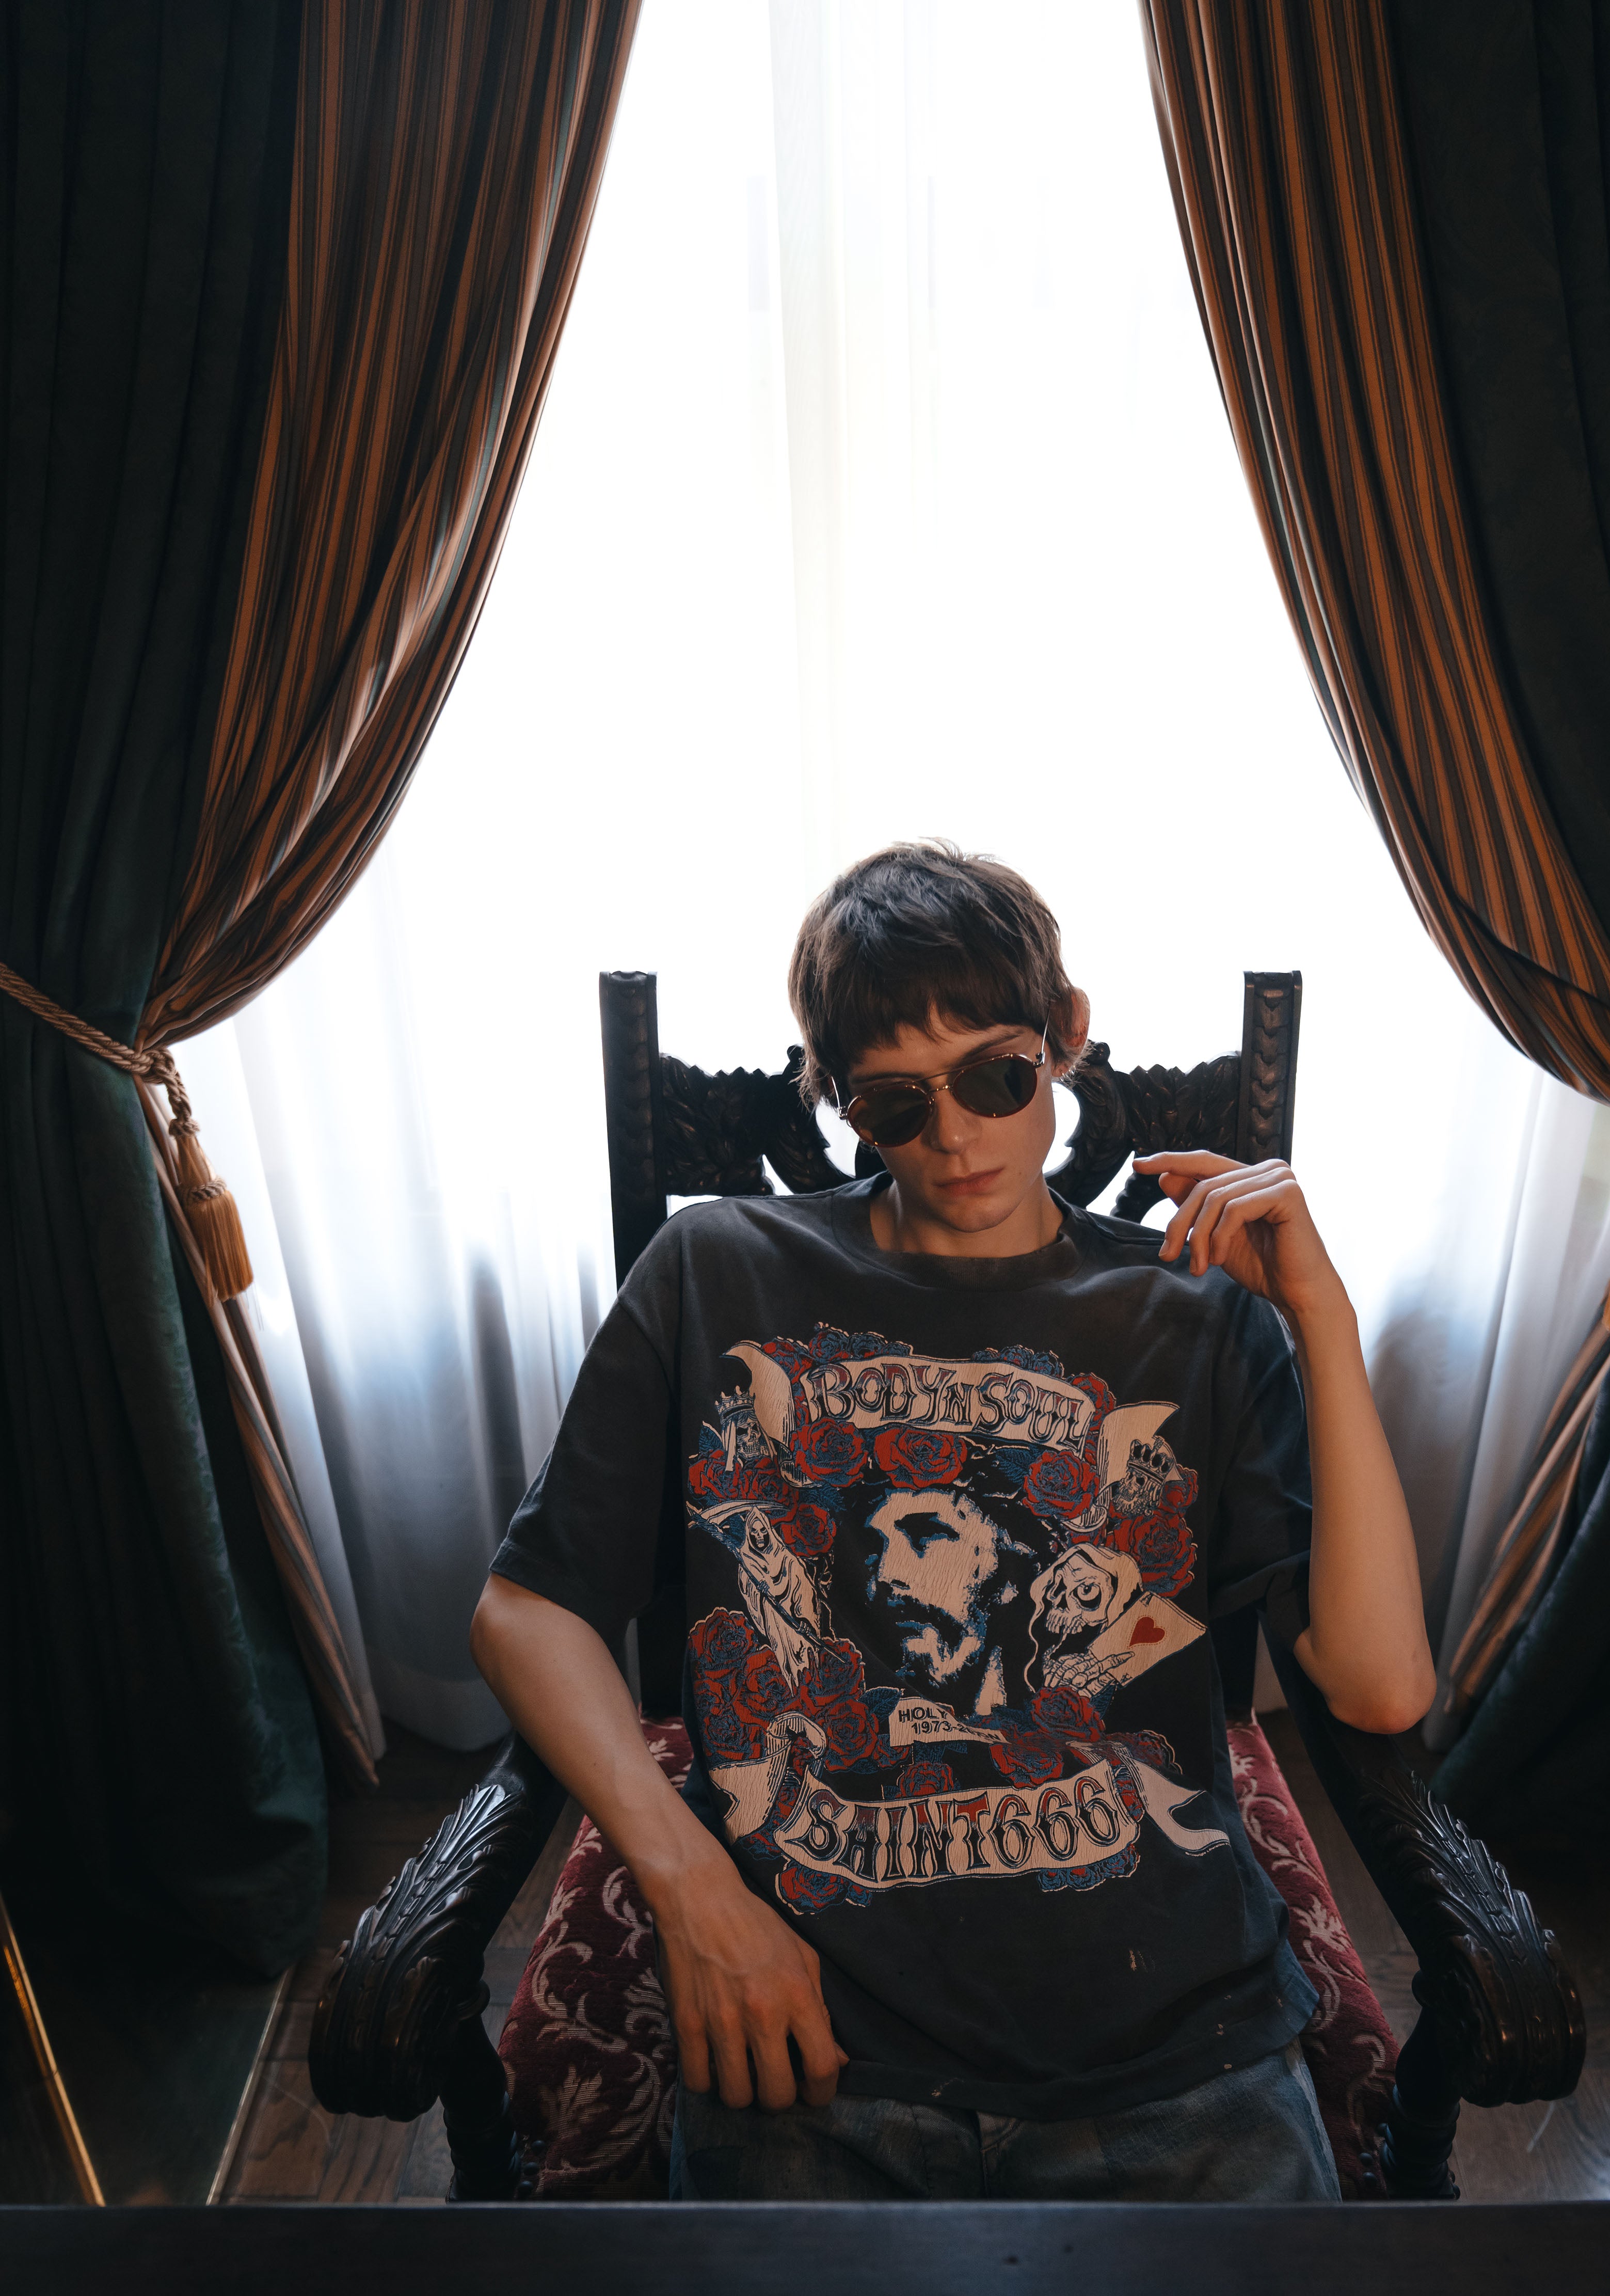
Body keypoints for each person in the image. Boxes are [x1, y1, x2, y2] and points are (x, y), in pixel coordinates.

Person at [472, 841, 1436, 2203]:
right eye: (893, 1103)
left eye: (995, 1077)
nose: (957, 1138)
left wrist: (1322, 1317)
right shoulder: (718, 1268)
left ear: (1067, 1035)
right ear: (834, 1098)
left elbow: (1383, 1687)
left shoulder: (1197, 1315)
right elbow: (527, 1608)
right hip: (813, 2049)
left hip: (1175, 2052)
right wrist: (694, 1895)